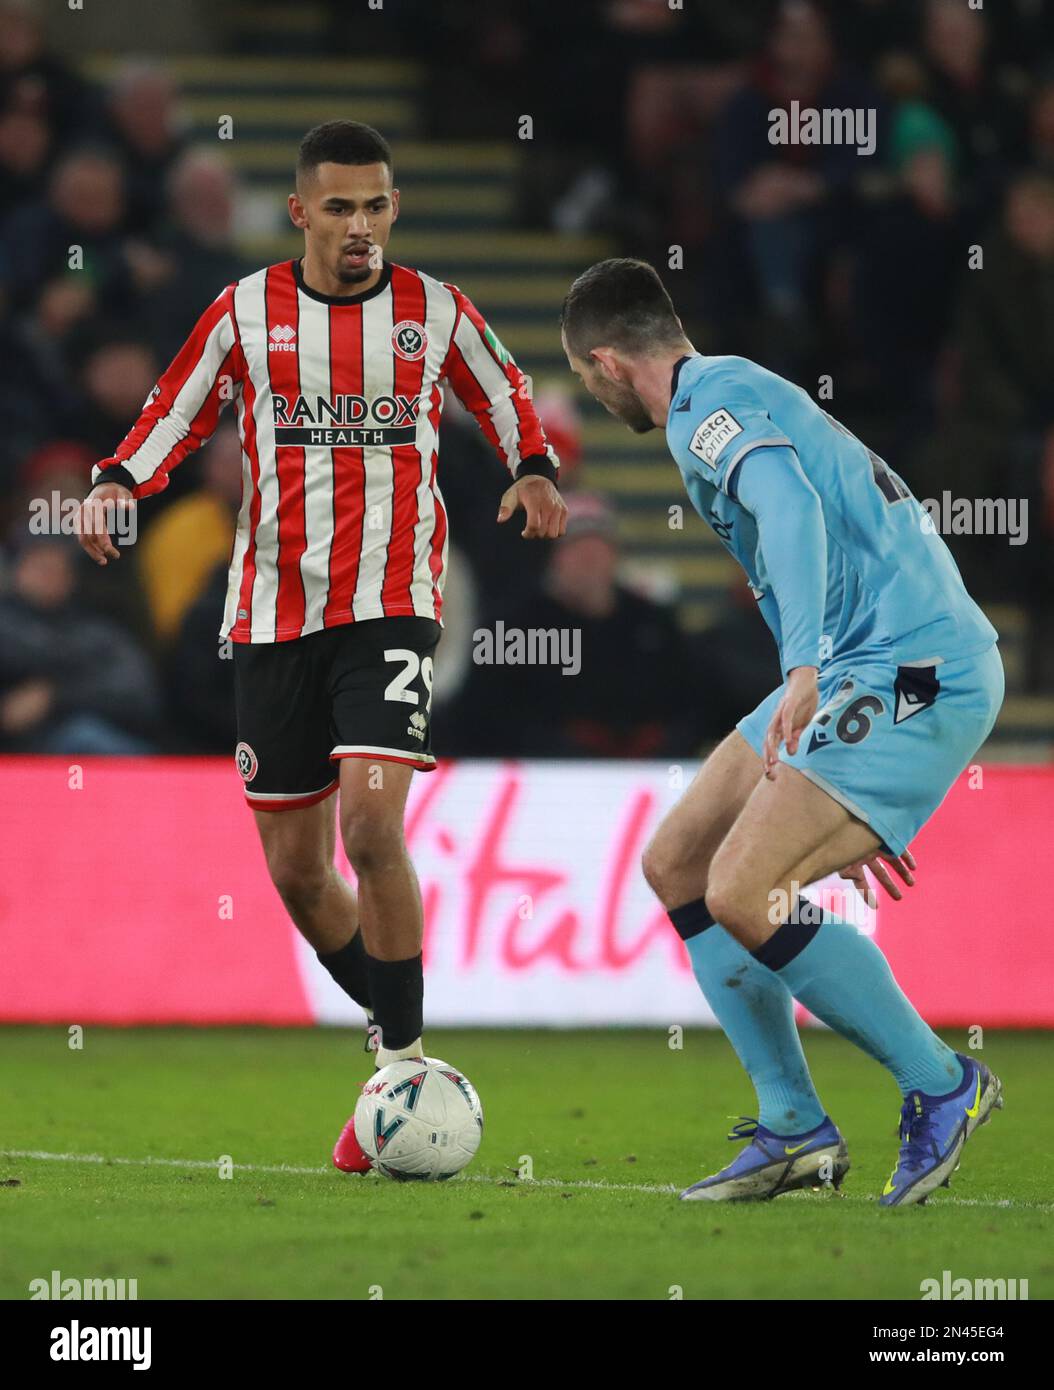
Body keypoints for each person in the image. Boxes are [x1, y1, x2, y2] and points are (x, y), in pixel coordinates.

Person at [77, 120, 566, 1171]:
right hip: (270, 616)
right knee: (298, 870)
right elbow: (175, 405)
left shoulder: (431, 310)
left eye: (376, 205)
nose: (359, 226)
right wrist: (120, 479)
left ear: (394, 209)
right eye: (338, 207)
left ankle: (402, 1060)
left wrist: (532, 466)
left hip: (391, 603)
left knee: (372, 823)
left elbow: (503, 386)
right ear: (300, 212)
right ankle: (391, 1044)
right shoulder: (247, 311)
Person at [560, 258, 1004, 1207]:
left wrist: (803, 668)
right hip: (862, 664)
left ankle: (943, 1082)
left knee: (743, 888)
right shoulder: (730, 387)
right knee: (680, 863)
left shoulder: (705, 405)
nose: (599, 402)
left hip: (908, 663)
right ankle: (794, 1128)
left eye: (591, 385)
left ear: (604, 362)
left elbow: (791, 506)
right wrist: (834, 788)